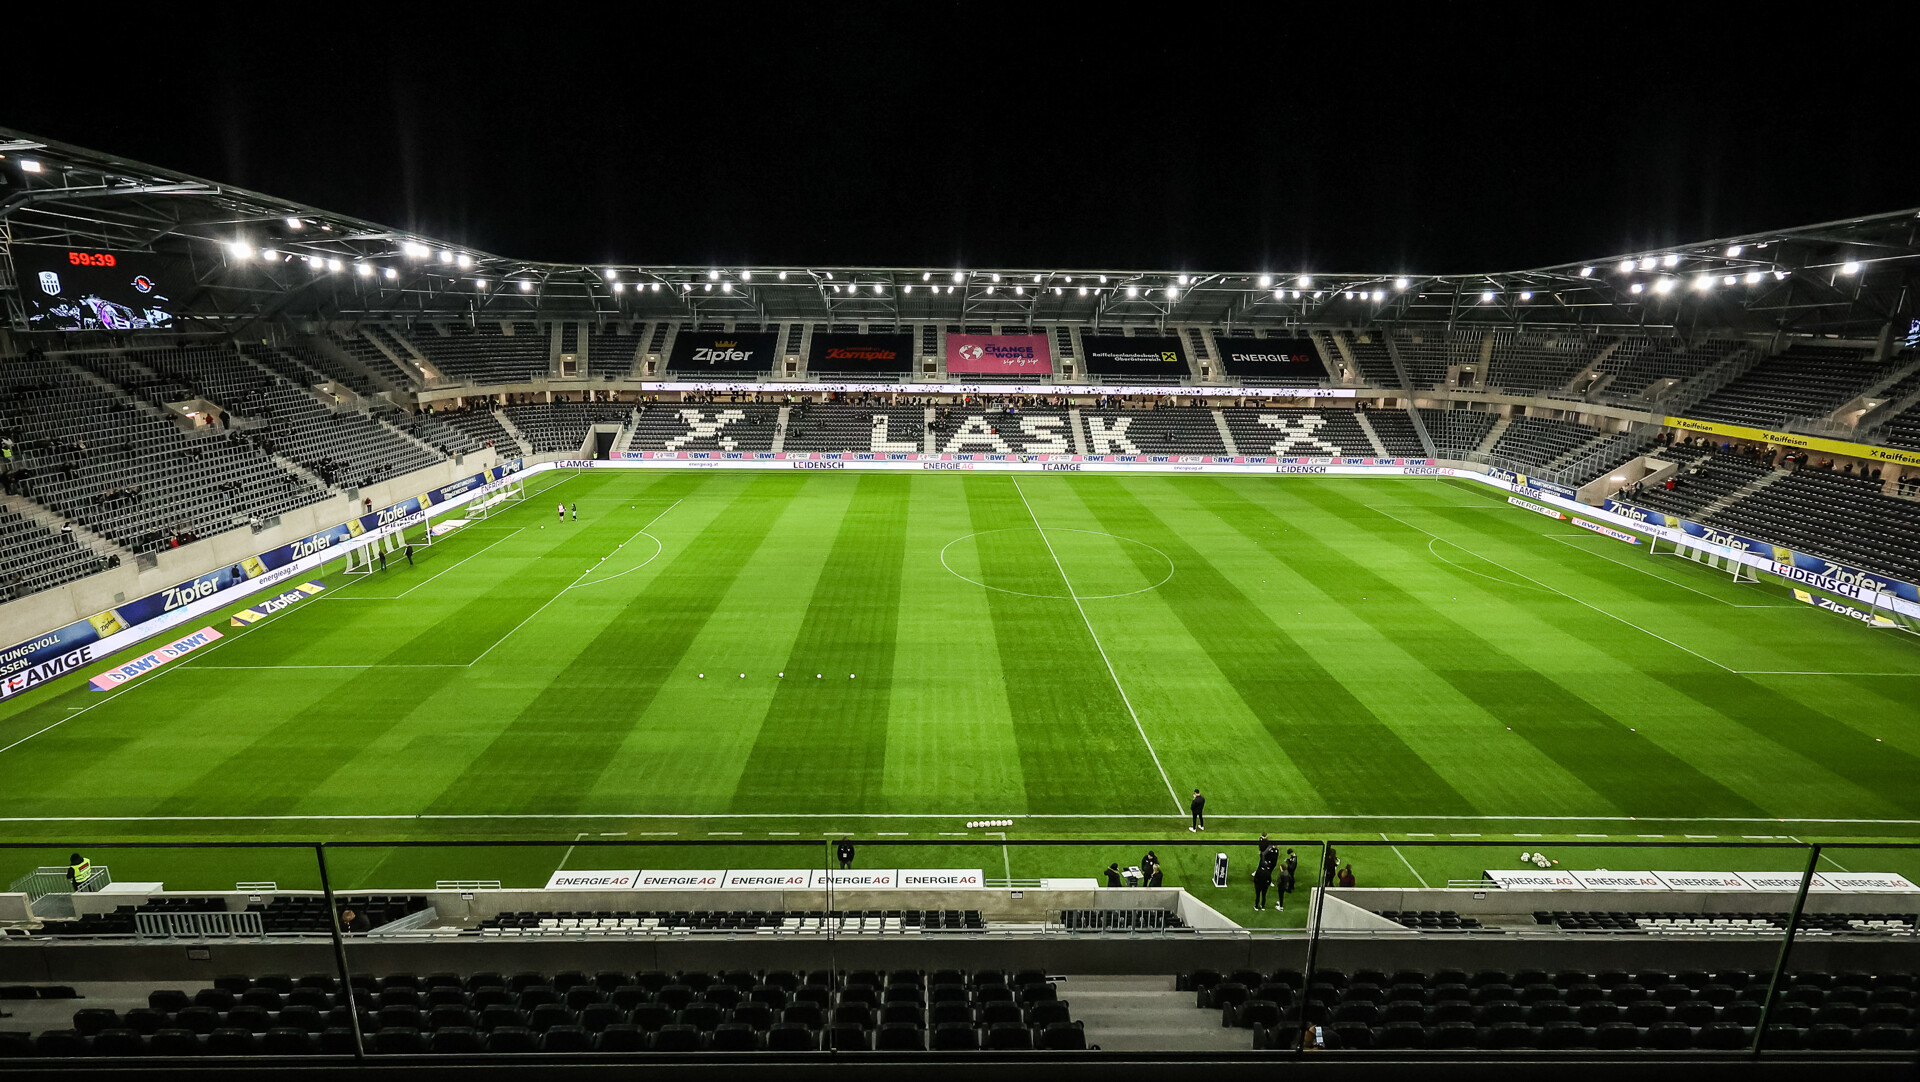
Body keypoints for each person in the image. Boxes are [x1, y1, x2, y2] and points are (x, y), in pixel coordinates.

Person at [1253, 843, 1277, 911]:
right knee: (1264, 896)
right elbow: (1269, 880)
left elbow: (1255, 878)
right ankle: (1263, 907)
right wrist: (1267, 884)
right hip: (1264, 886)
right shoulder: (1268, 872)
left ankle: (1256, 907)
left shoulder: (1259, 871)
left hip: (1258, 886)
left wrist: (1256, 884)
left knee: (1258, 896)